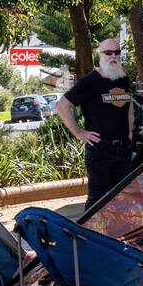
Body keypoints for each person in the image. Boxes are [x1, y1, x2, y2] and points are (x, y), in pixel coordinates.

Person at [56, 39, 135, 209]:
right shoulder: (90, 81)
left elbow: (128, 106)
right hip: (100, 150)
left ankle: (115, 234)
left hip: (123, 148)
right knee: (97, 201)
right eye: (108, 53)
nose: (113, 56)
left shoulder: (122, 79)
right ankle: (87, 234)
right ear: (100, 55)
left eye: (117, 52)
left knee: (122, 198)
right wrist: (79, 133)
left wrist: (129, 132)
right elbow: (62, 105)